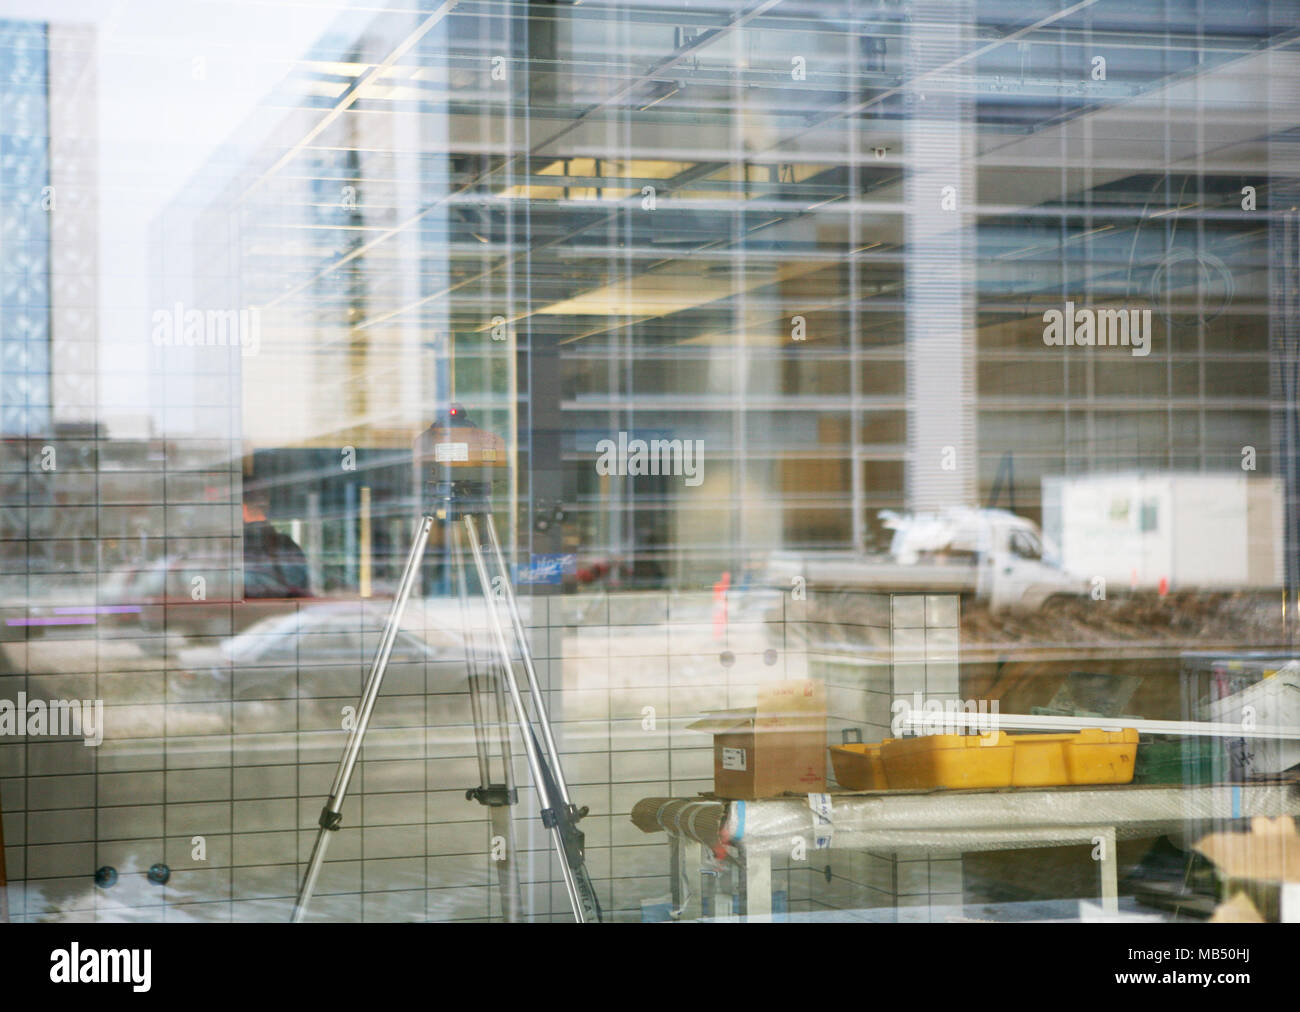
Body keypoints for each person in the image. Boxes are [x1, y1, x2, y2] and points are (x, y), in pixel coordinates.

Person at [243, 487, 311, 598]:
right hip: (286, 611)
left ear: (243, 508)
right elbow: (301, 585)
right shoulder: (287, 544)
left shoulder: (238, 545)